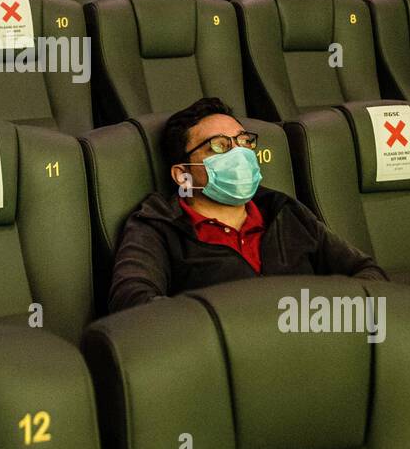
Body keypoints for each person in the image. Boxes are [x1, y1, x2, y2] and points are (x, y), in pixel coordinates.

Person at [108, 97, 386, 312]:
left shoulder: (284, 211)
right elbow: (132, 301)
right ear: (183, 174)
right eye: (219, 146)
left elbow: (367, 272)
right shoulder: (157, 225)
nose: (239, 153)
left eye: (244, 142)